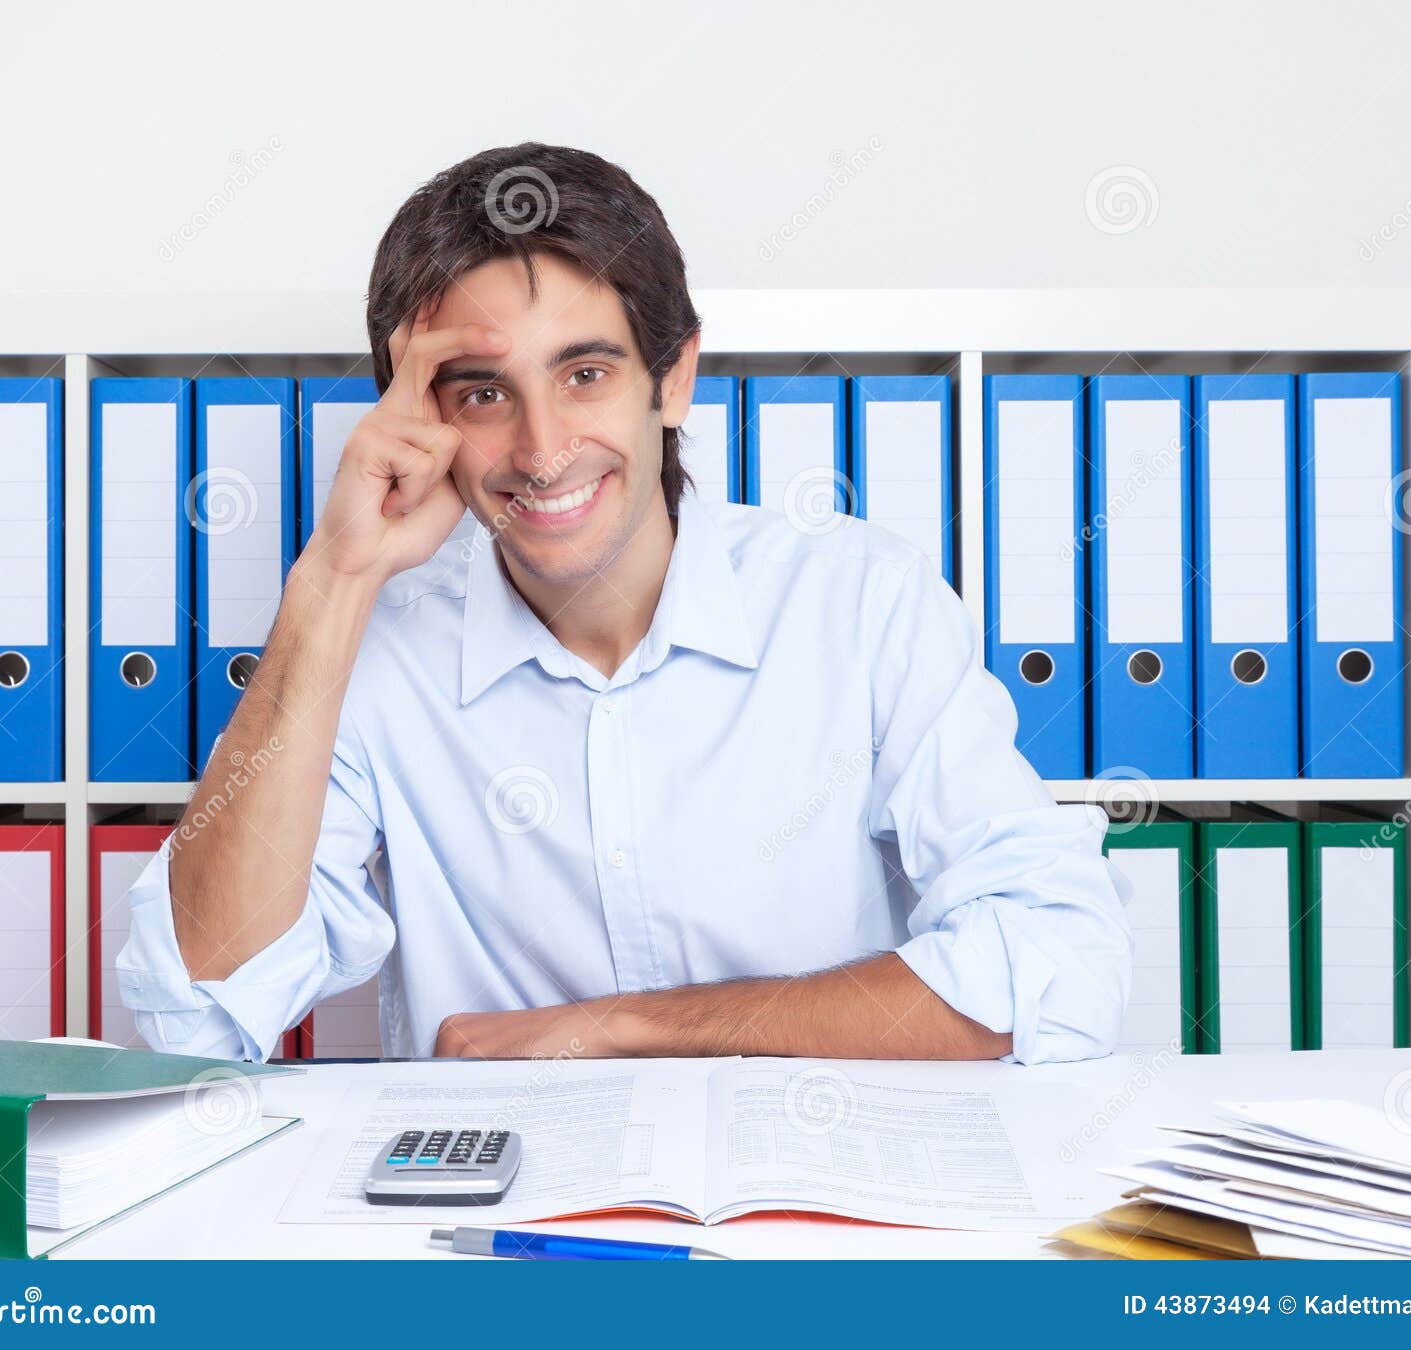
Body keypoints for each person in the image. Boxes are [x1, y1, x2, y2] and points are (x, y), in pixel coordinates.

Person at [117, 142, 1131, 1065]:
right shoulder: (375, 651)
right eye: (481, 393)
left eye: (585, 373)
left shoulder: (862, 604)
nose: (543, 449)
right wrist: (330, 583)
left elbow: (1061, 962)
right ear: (414, 416)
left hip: (808, 1219)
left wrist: (622, 1028)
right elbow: (200, 1009)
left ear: (673, 377)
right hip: (498, 1235)